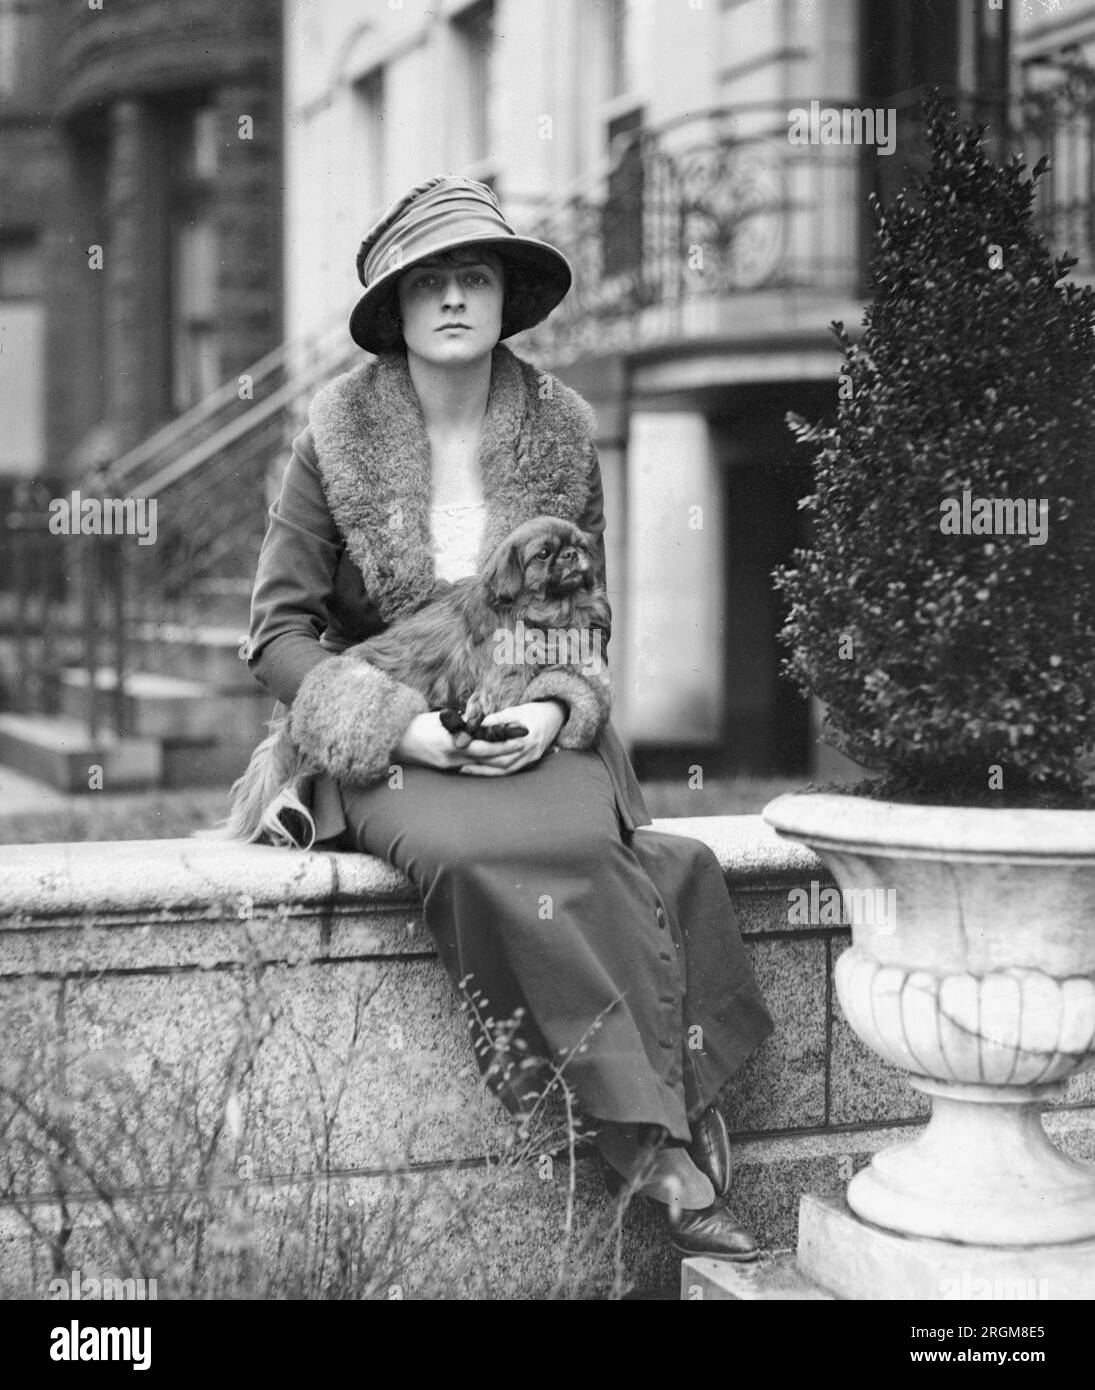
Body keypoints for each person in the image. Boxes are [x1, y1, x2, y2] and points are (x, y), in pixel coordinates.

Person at [245, 174, 775, 1261]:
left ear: (504, 297)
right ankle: (663, 1152)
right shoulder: (333, 435)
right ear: (394, 308)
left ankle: (653, 1125)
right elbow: (278, 638)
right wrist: (399, 727)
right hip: (385, 730)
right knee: (482, 860)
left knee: (583, 836)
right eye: (428, 280)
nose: (452, 298)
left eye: (473, 276)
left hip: (532, 710)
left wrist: (552, 706)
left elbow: (588, 614)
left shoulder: (561, 426)